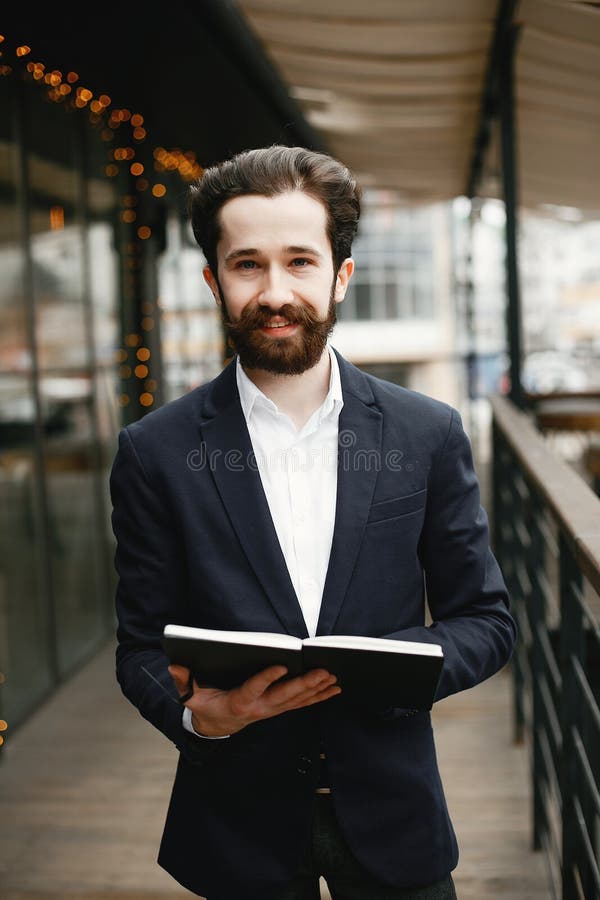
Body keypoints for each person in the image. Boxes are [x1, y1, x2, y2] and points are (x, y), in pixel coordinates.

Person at [110, 145, 517, 900]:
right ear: (213, 281)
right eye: (247, 265)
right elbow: (140, 646)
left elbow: (486, 622)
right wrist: (204, 718)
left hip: (396, 815)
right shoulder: (153, 451)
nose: (275, 292)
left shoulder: (427, 432)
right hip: (234, 823)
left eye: (300, 262)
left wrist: (394, 667)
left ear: (341, 275)